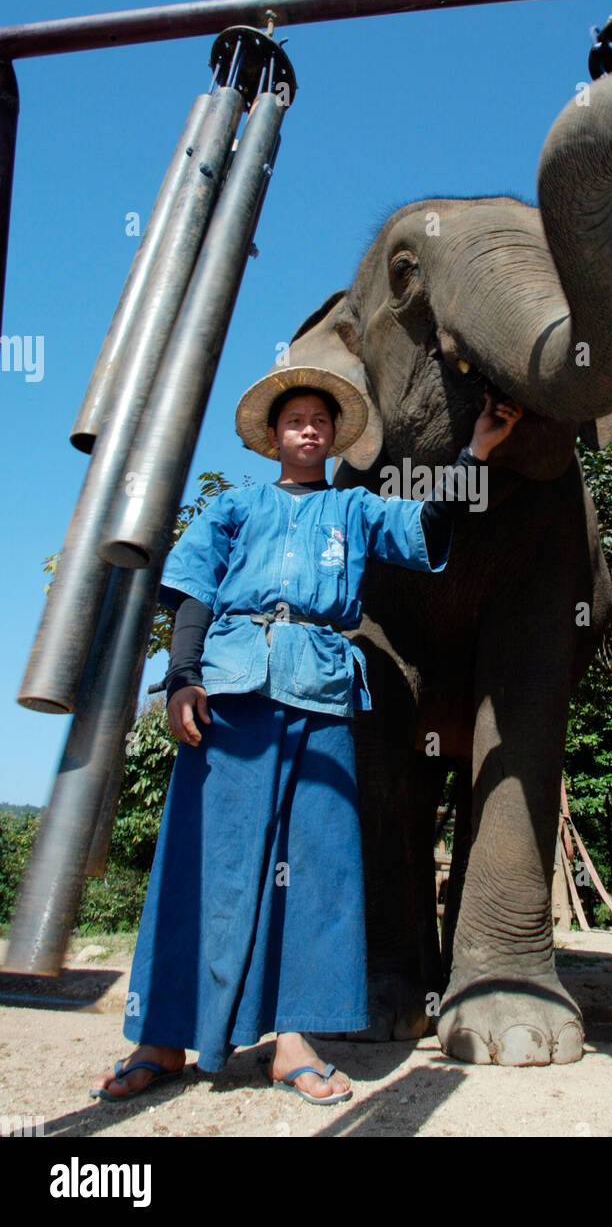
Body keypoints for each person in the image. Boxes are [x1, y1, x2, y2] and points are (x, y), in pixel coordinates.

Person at [90, 361, 522, 1104]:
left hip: (320, 690)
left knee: (317, 864)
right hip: (229, 688)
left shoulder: (355, 510)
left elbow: (426, 526)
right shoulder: (234, 509)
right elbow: (194, 590)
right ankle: (159, 1037)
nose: (309, 429)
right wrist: (181, 678)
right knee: (203, 857)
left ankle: (295, 1042)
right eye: (296, 420)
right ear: (273, 437)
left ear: (332, 438)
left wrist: (474, 452)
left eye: (321, 421)